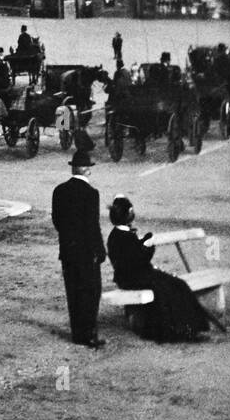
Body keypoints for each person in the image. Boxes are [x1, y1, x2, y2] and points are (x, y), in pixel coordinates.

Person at [105, 196, 212, 341]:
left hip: (130, 276)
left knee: (174, 285)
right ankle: (178, 330)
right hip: (134, 278)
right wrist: (148, 248)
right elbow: (138, 259)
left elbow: (131, 255)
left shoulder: (117, 234)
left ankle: (185, 328)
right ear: (127, 215)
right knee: (173, 286)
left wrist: (143, 243)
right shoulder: (125, 236)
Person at [50, 147, 107, 348]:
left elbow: (57, 221)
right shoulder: (92, 194)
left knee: (73, 293)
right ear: (86, 170)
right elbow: (92, 226)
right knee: (91, 293)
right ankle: (89, 333)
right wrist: (100, 251)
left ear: (73, 169)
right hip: (86, 253)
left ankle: (77, 333)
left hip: (67, 250)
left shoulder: (59, 191)